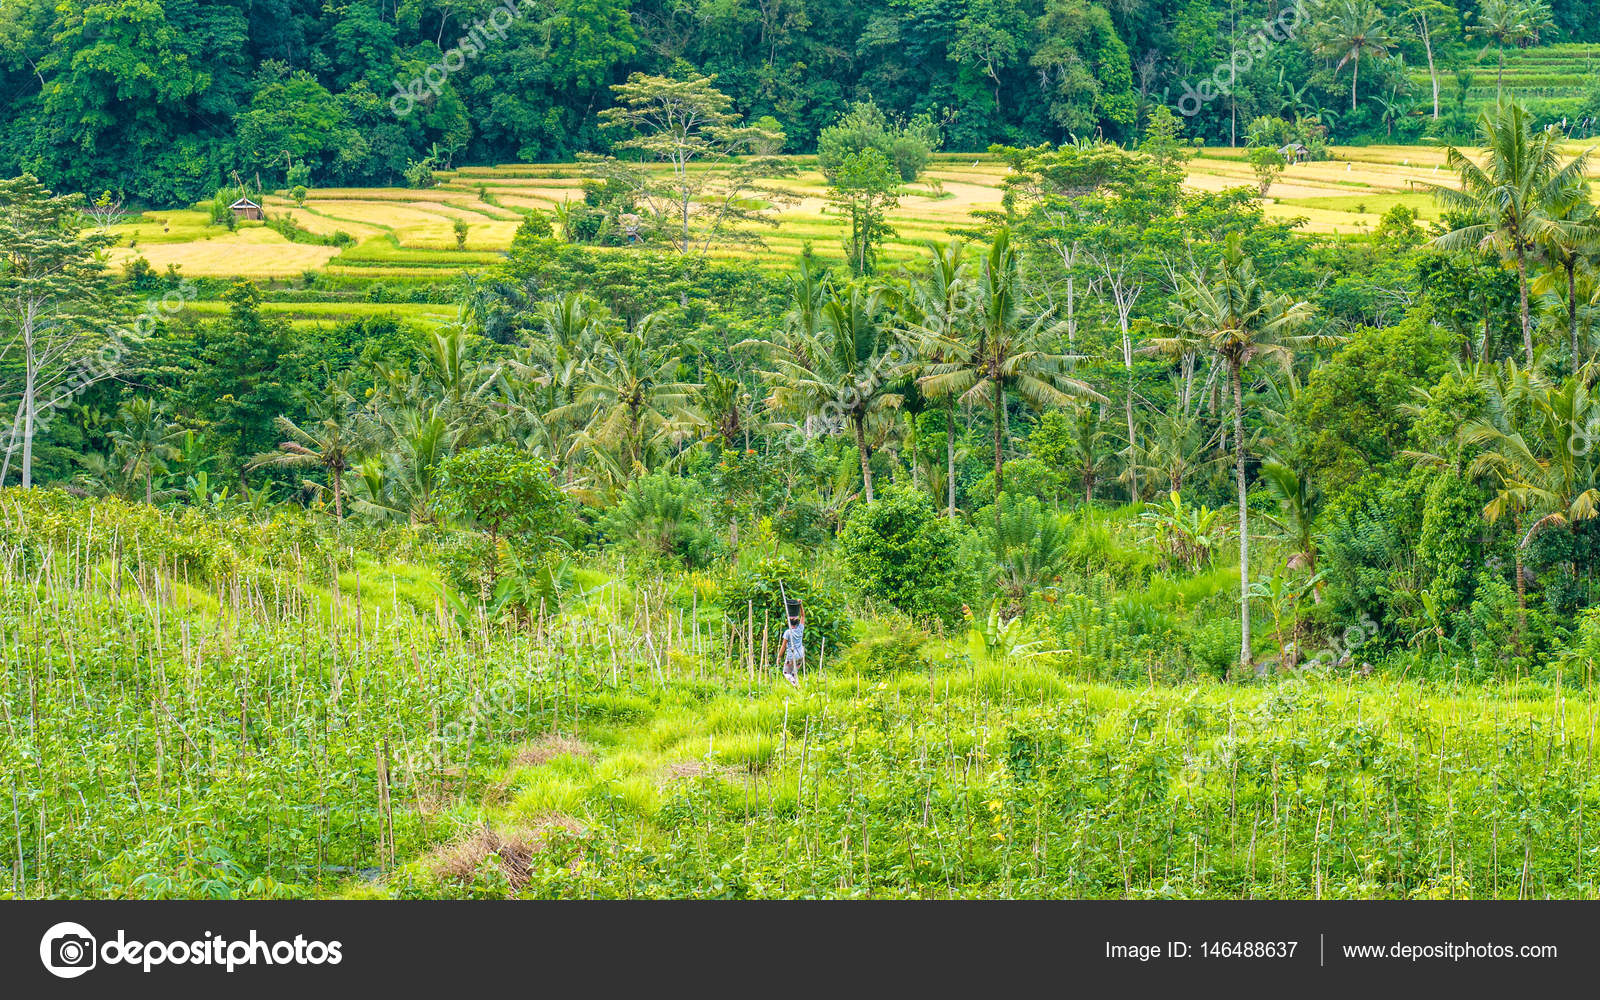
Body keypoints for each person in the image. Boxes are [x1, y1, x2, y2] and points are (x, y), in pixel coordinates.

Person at [776, 605, 805, 687]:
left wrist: (779, 657)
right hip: (800, 655)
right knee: (793, 673)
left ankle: (796, 685)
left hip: (791, 656)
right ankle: (796, 688)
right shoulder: (800, 629)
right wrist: (800, 605)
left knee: (786, 673)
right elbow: (803, 615)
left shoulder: (788, 632)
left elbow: (783, 646)